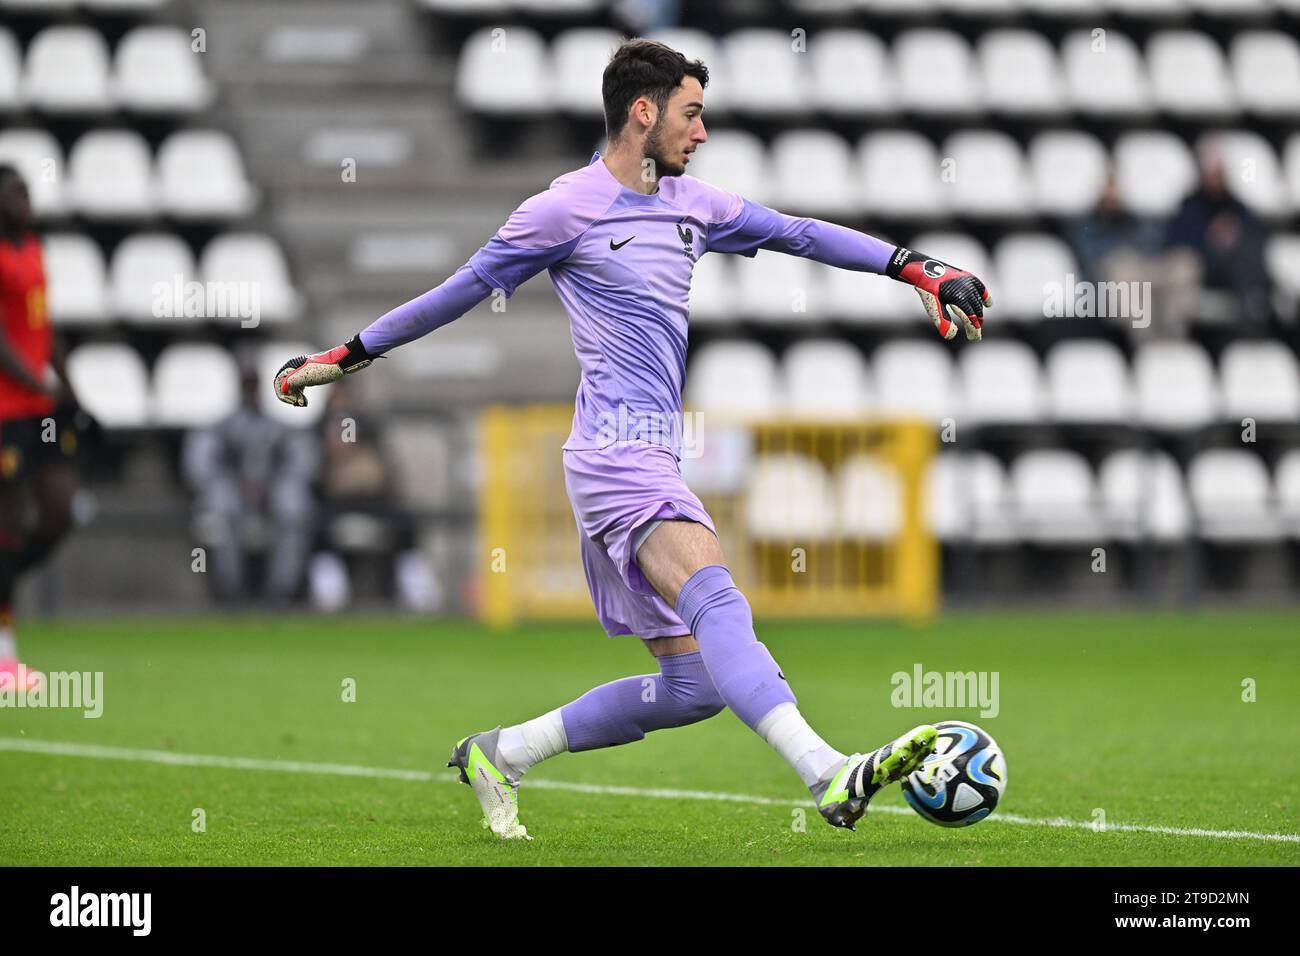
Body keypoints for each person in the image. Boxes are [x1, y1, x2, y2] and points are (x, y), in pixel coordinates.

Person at [272, 40, 992, 839]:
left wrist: (917, 268)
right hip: (615, 454)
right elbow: (458, 292)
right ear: (641, 112)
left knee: (694, 684)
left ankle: (501, 752)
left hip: (650, 451)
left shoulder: (696, 205)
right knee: (717, 591)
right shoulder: (563, 208)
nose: (703, 132)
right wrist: (346, 356)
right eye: (692, 113)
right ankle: (826, 772)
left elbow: (800, 234)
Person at [0, 165, 83, 691]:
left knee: (59, 511)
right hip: (6, 409)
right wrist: (35, 379)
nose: (25, 200)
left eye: (28, 192)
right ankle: (5, 653)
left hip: (41, 410)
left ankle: (4, 576)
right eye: (14, 193)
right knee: (6, 521)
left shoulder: (33, 247)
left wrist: (67, 382)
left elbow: (41, 322)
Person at [182, 366, 318, 606]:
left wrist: (272, 482)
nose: (250, 390)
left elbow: (303, 461)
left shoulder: (279, 427)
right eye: (246, 385)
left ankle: (282, 590)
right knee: (224, 507)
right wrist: (232, 483)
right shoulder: (221, 427)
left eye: (254, 385)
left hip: (272, 489)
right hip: (233, 489)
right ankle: (231, 589)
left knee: (292, 507)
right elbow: (200, 465)